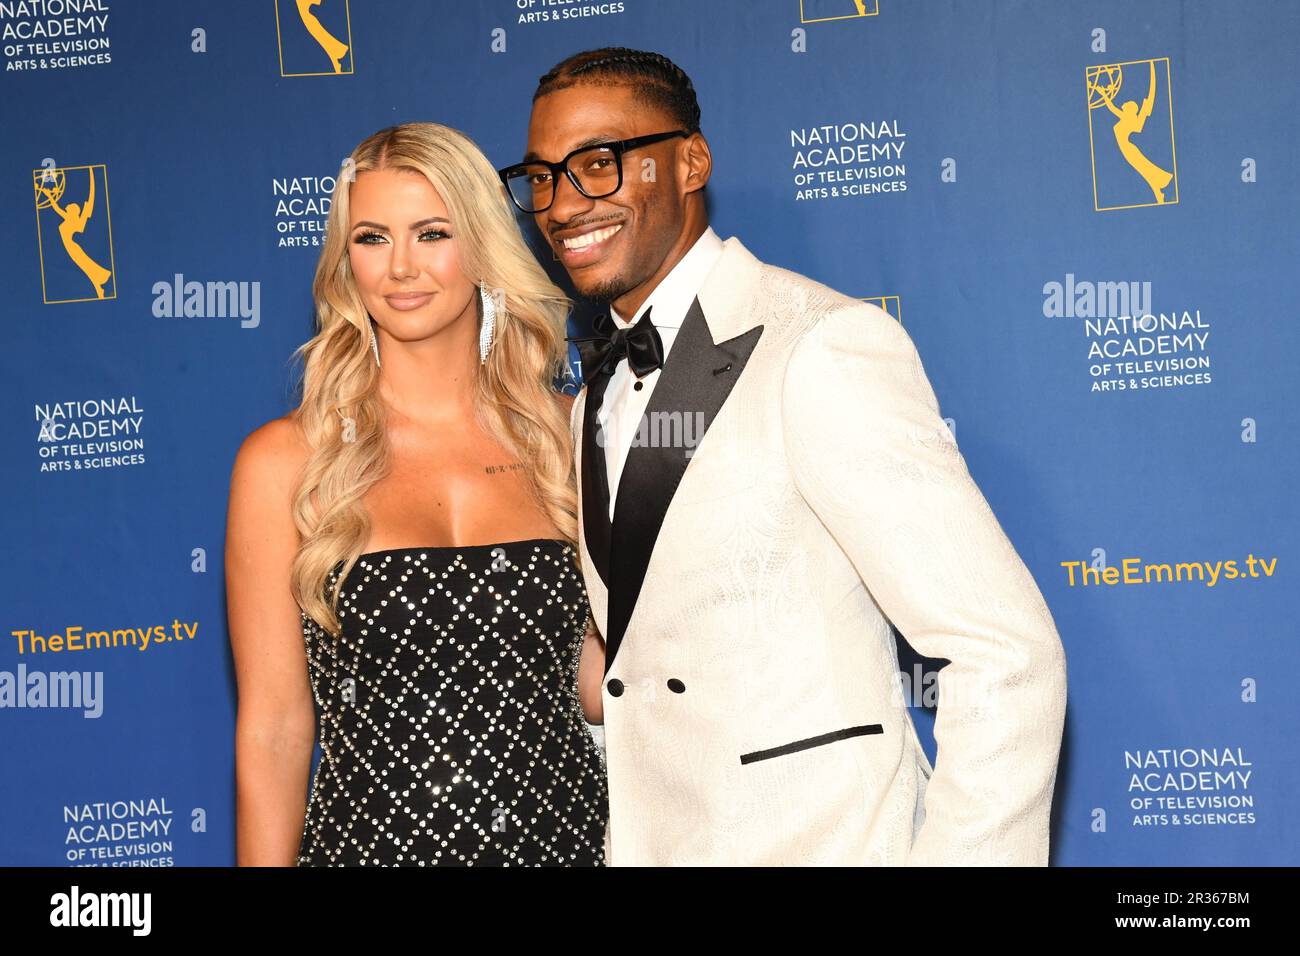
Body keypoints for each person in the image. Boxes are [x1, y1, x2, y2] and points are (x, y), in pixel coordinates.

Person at [498, 47, 1069, 865]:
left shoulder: (818, 347)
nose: (562, 203)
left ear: (690, 162)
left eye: (599, 163)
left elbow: (1005, 653)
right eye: (542, 177)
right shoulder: (596, 396)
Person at [226, 122, 608, 866]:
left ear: (483, 244)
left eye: (432, 233)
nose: (400, 267)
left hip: (568, 845)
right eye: (371, 238)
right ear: (346, 261)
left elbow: (608, 683)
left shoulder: (574, 436)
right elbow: (273, 730)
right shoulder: (285, 462)